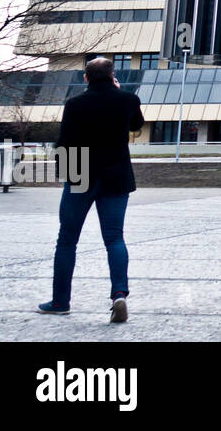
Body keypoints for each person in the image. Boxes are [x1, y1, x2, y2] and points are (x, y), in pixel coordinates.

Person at [38, 56, 145, 323]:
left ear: (86, 78)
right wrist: (119, 94)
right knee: (114, 238)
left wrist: (68, 176)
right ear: (112, 76)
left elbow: (64, 143)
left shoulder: (75, 104)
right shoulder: (128, 100)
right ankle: (118, 294)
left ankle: (61, 301)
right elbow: (136, 125)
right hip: (116, 175)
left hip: (81, 173)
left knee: (67, 240)